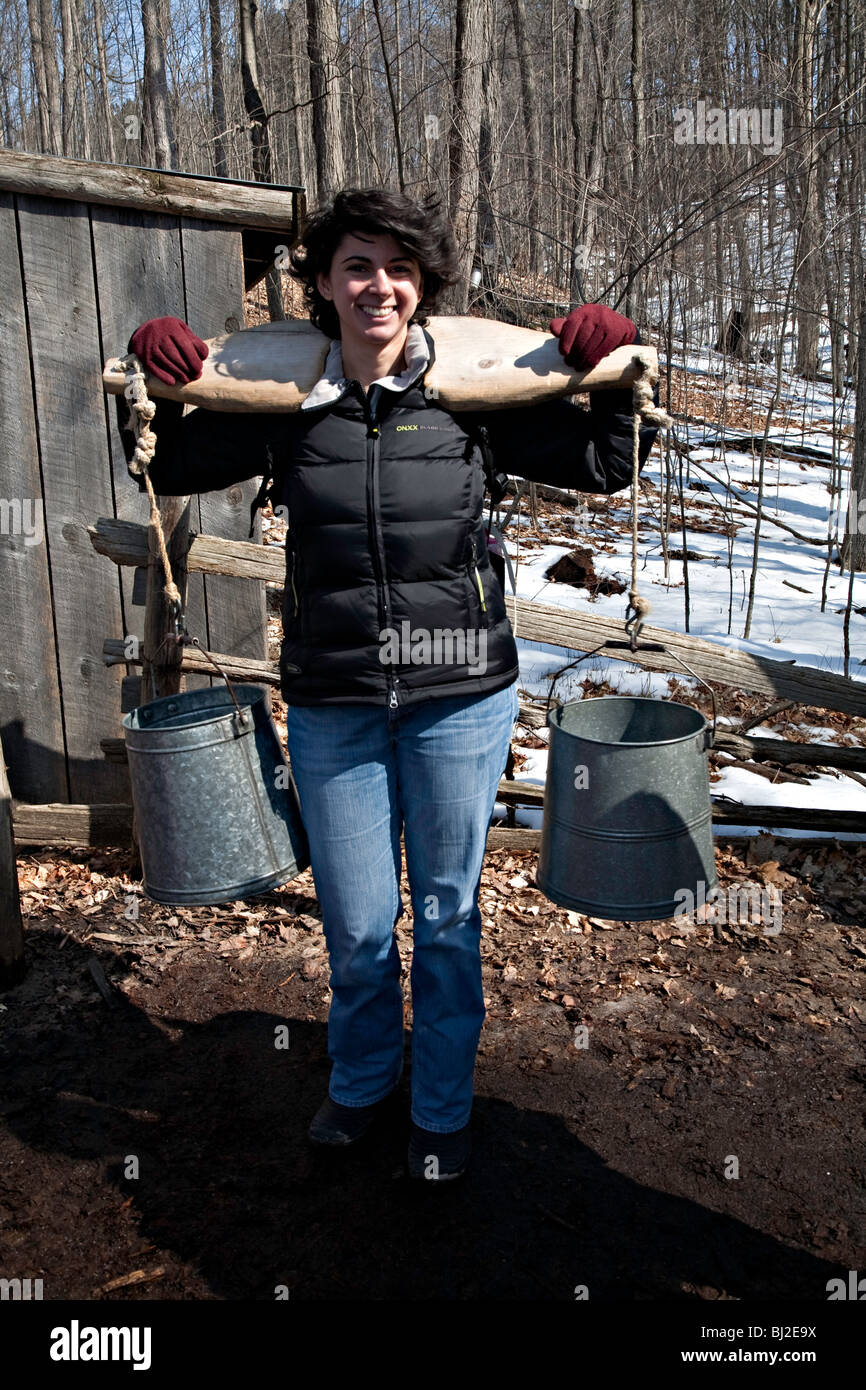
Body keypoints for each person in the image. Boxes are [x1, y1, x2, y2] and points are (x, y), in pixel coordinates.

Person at [116, 187, 659, 1182]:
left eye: (398, 268)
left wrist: (614, 360)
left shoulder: (470, 399)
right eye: (357, 264)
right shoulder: (287, 407)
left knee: (447, 914)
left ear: (423, 288)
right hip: (333, 703)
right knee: (359, 921)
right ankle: (363, 1082)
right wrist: (156, 371)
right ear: (321, 283)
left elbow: (601, 458)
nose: (379, 285)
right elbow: (167, 462)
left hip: (459, 698)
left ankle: (442, 1104)